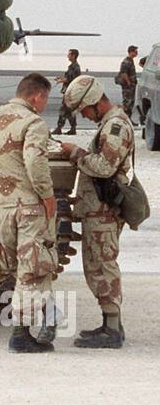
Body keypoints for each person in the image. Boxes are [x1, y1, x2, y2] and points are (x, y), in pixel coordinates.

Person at [0, 73, 58, 353]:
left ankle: (47, 313)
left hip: (0, 207)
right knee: (31, 270)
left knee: (15, 269)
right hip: (28, 208)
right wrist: (47, 195)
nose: (45, 105)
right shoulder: (33, 122)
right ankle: (20, 335)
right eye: (46, 99)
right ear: (37, 97)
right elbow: (35, 161)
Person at [59, 74, 134, 349]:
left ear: (94, 102)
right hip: (98, 209)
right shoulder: (110, 123)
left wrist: (75, 153)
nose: (84, 115)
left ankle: (111, 329)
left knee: (102, 264)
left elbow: (104, 167)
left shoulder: (115, 126)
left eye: (84, 110)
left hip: (104, 211)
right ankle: (110, 324)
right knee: (96, 264)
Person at [52, 49, 81, 136]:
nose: (68, 56)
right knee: (69, 110)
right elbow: (68, 77)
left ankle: (59, 128)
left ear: (73, 55)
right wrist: (60, 78)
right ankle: (72, 128)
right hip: (70, 91)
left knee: (64, 109)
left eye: (69, 54)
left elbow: (71, 79)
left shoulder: (75, 67)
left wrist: (61, 80)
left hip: (71, 91)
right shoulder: (72, 66)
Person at [116, 45, 138, 117]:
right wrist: (128, 82)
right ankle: (124, 117)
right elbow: (124, 73)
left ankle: (128, 118)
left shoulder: (131, 61)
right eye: (135, 51)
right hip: (127, 86)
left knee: (131, 102)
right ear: (131, 52)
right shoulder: (126, 62)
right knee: (127, 102)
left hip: (131, 85)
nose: (136, 53)